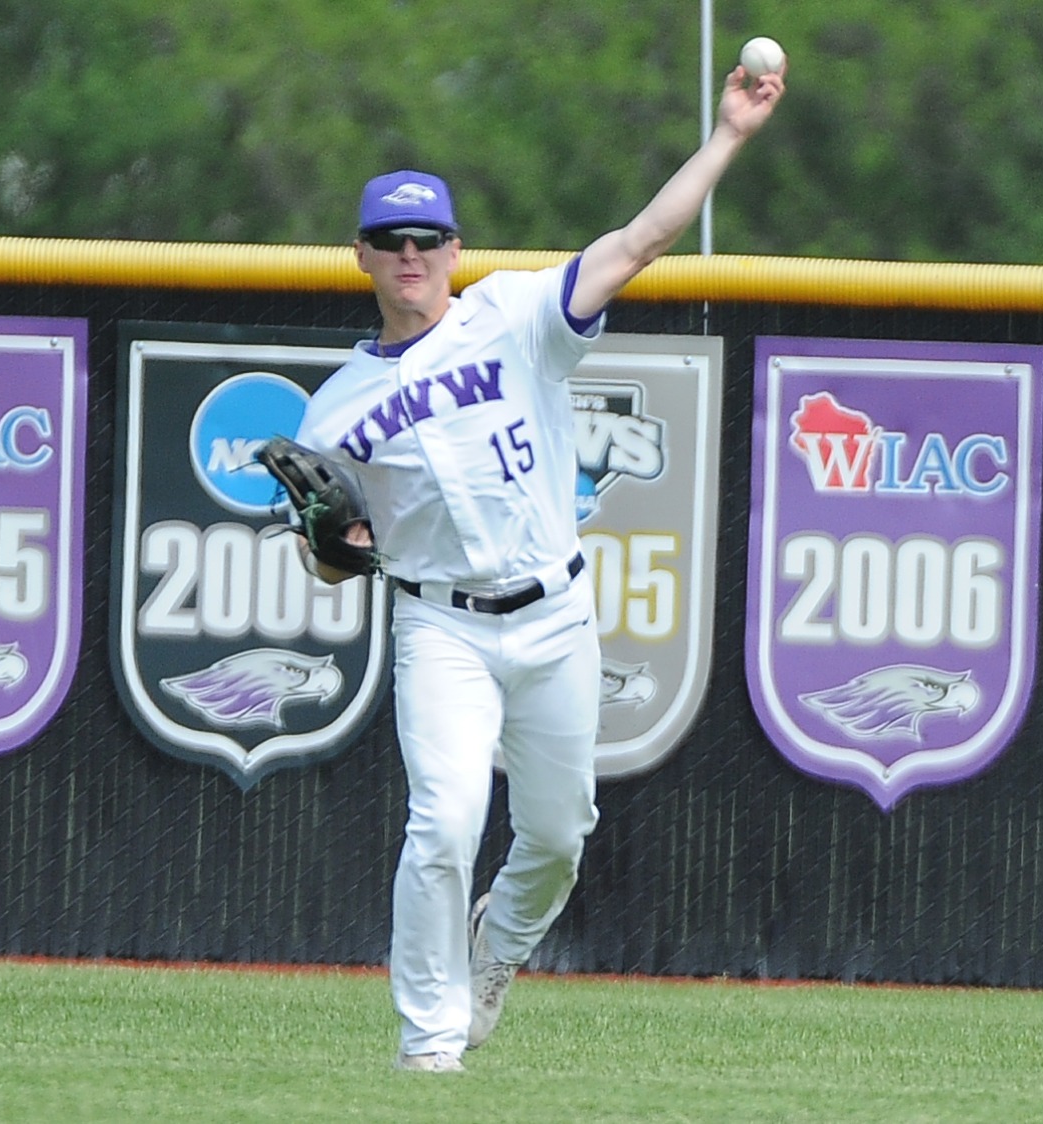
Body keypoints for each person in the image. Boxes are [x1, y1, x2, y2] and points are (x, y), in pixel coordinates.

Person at [290, 59, 786, 1072]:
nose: (410, 255)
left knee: (558, 834)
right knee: (443, 823)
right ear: (362, 254)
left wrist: (729, 135)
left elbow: (641, 242)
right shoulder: (332, 410)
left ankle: (498, 946)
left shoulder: (514, 316)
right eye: (390, 239)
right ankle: (429, 1043)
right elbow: (332, 561)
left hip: (554, 616)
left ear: (455, 249)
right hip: (441, 627)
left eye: (427, 238)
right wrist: (333, 550)